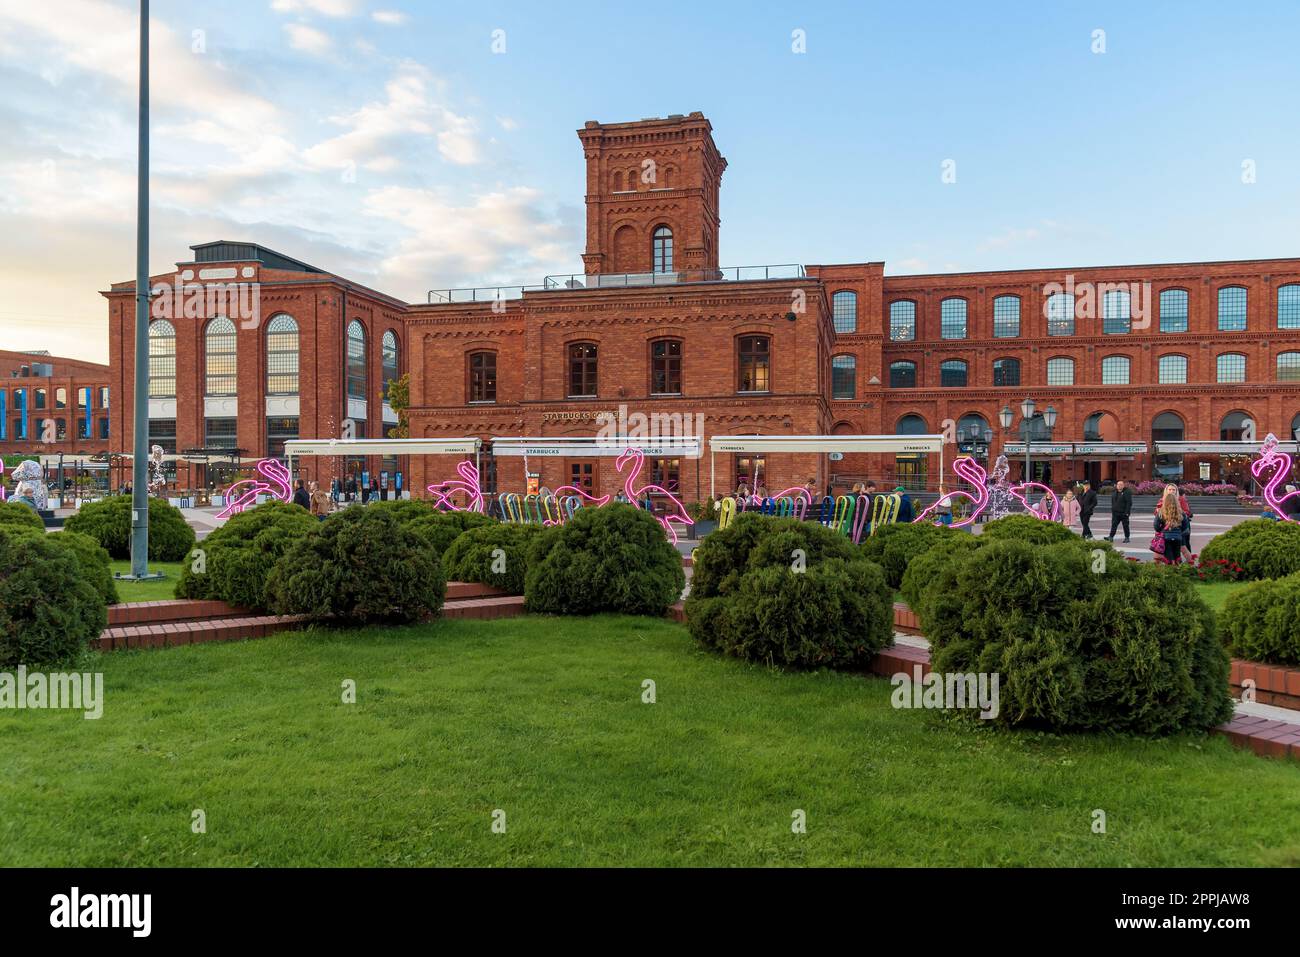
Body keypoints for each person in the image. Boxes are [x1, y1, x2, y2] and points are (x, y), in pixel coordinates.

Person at [1154, 488, 1191, 563]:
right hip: (1178, 538)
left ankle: (1170, 570)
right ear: (1176, 502)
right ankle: (1179, 570)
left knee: (1168, 557)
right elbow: (1186, 526)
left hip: (1166, 537)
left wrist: (1162, 530)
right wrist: (1179, 532)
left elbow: (1156, 526)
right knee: (1177, 556)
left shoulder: (1161, 512)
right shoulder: (1181, 513)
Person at [1105, 478, 1132, 544]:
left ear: (1123, 486)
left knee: (1125, 526)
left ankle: (1127, 538)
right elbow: (1113, 502)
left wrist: (1127, 513)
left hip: (1124, 513)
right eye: (1118, 484)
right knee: (1113, 525)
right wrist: (1113, 510)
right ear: (1116, 486)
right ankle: (1111, 537)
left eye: (1121, 484)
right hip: (1115, 513)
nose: (1119, 486)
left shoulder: (1127, 492)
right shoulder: (1114, 493)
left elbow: (1129, 503)